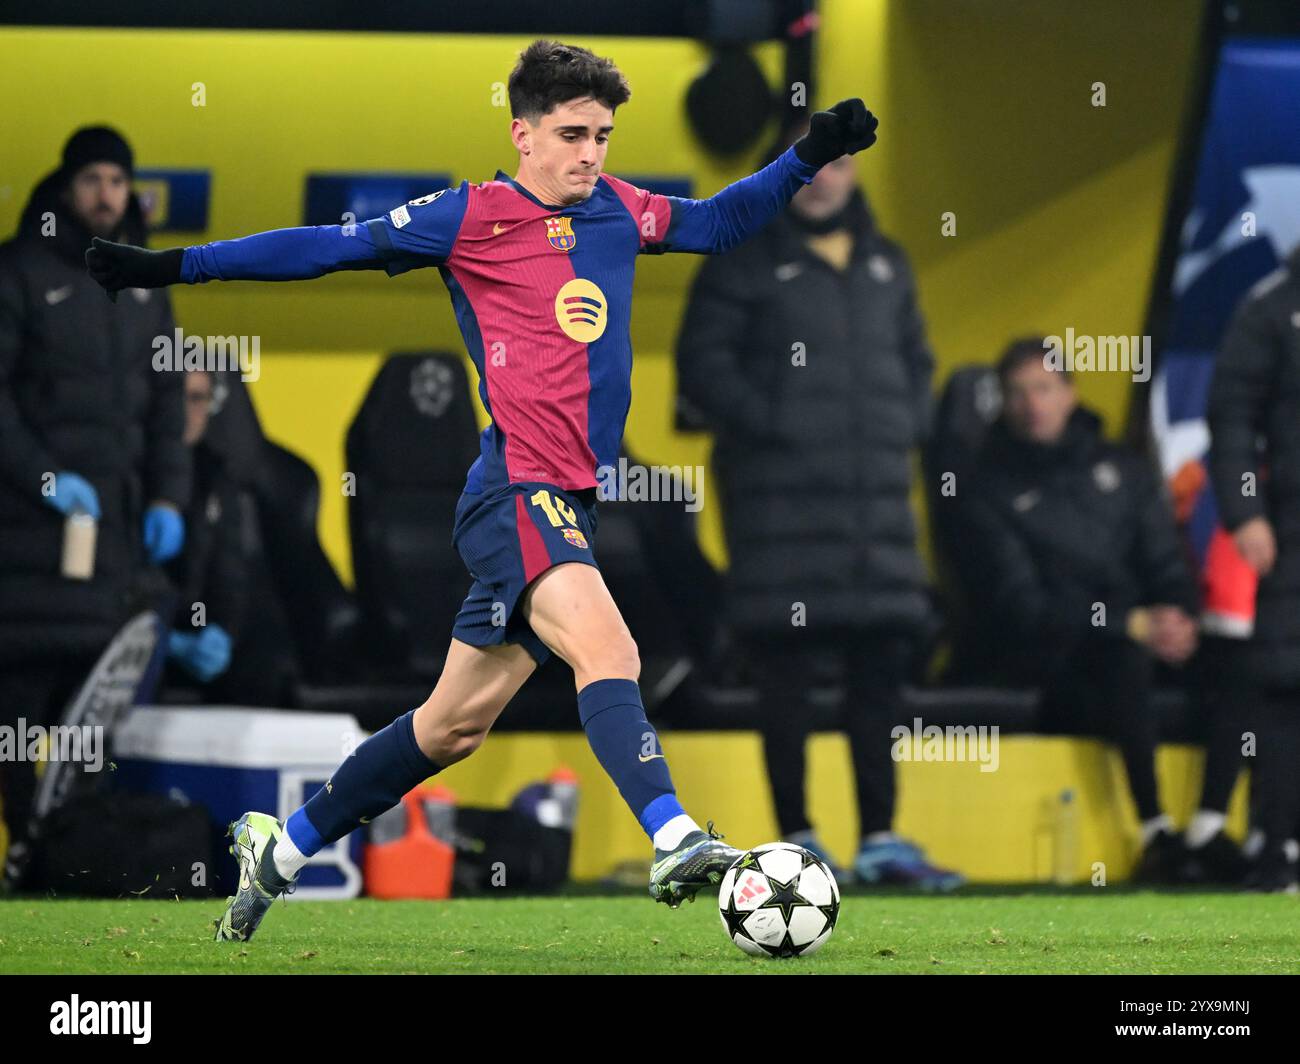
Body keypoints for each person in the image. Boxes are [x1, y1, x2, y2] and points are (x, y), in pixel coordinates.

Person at [85, 39, 880, 938]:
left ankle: (282, 848)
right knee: (609, 651)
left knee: (449, 728)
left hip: (566, 500)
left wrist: (809, 152)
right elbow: (318, 249)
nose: (591, 153)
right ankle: (674, 836)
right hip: (514, 492)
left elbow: (723, 220)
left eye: (604, 135)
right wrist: (170, 268)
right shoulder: (469, 217)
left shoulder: (620, 208)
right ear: (524, 133)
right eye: (573, 133)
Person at [676, 120, 958, 888]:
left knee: (880, 681)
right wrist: (775, 425)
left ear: (854, 173)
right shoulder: (742, 259)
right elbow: (702, 366)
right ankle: (796, 838)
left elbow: (917, 362)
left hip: (876, 521)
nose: (826, 177)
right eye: (812, 163)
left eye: (839, 163)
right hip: (780, 515)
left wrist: (909, 424)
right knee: (787, 681)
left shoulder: (886, 262)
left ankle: (880, 840)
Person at [0, 126, 189, 888]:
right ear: (64, 188)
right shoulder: (18, 273)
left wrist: (169, 495)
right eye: (92, 180)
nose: (106, 194)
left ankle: (67, 849)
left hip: (112, 539)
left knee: (96, 706)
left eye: (118, 179)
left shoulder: (142, 281)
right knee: (15, 705)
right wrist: (43, 480)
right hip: (23, 537)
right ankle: (25, 844)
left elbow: (168, 403)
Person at [947, 339, 1199, 881]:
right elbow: (1021, 608)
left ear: (1070, 392)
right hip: (1050, 658)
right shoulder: (986, 489)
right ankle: (1157, 830)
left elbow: (1166, 563)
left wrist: (1180, 617)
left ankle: (1225, 830)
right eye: (1017, 393)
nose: (1031, 404)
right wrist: (1122, 623)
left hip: (1143, 637)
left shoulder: (1123, 469)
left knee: (1248, 659)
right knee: (1120, 657)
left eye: (1042, 388)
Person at [1207, 245, 1300, 892]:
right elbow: (1233, 414)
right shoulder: (1272, 308)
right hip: (1291, 529)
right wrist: (1245, 511)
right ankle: (1280, 847)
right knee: (1282, 687)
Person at [160, 369, 246, 693]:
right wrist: (162, 641)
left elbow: (230, 572)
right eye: (177, 398)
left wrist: (224, 630)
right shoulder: (123, 475)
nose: (186, 411)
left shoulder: (217, 478)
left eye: (198, 399)